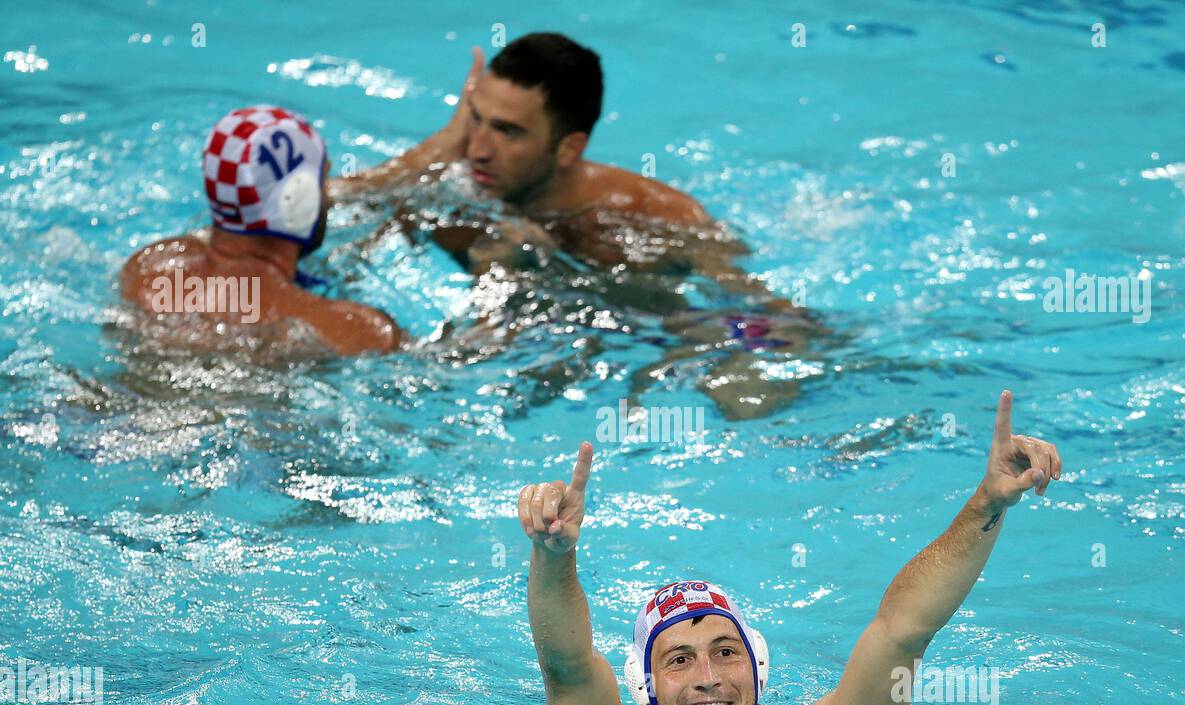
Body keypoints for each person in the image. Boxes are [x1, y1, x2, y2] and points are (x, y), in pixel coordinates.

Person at [516, 390, 1063, 705]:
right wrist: (553, 554)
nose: (709, 675)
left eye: (726, 651)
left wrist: (987, 503)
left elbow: (905, 629)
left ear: (757, 664)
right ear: (645, 686)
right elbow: (565, 667)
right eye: (679, 659)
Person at [332, 33, 821, 416]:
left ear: (569, 147)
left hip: (635, 338)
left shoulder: (652, 214)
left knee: (745, 399)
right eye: (474, 121)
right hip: (519, 348)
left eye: (507, 131)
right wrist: (439, 146)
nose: (479, 148)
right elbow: (318, 220)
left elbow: (769, 312)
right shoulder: (443, 192)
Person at [120, 105, 400, 356]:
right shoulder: (357, 330)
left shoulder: (148, 270)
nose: (327, 196)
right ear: (298, 198)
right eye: (323, 183)